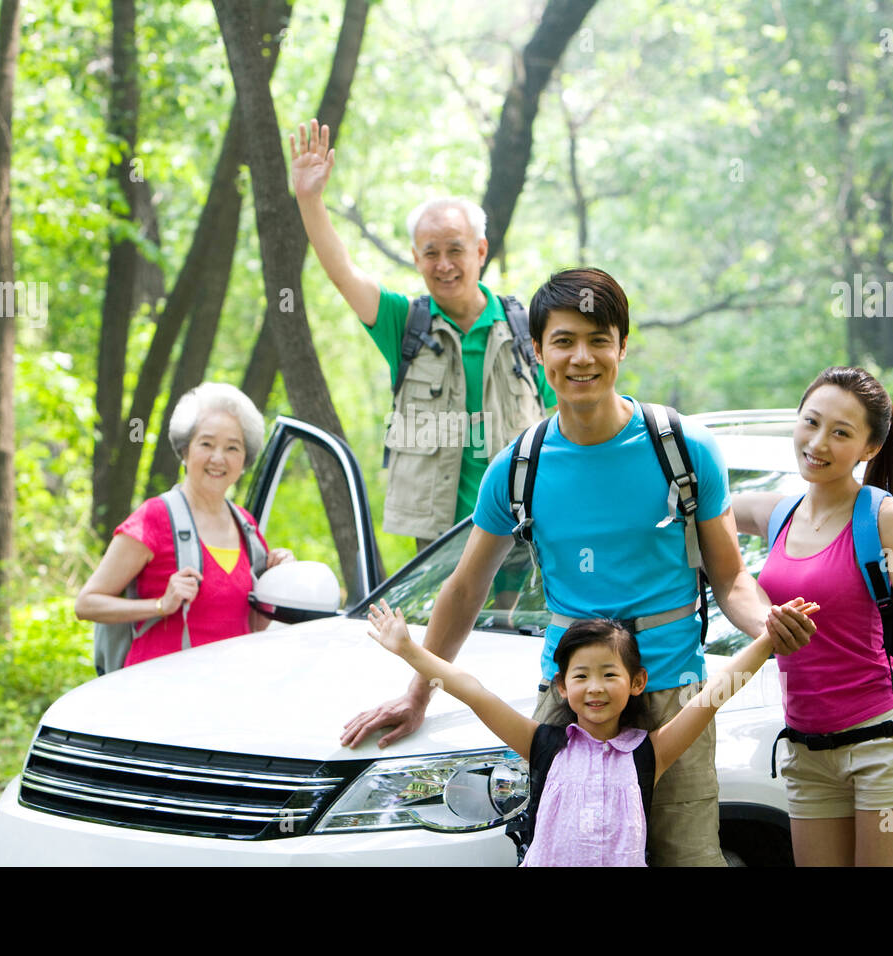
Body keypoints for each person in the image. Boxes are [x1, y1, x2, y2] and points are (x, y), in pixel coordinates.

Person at [342, 267, 817, 866]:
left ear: (622, 345)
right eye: (564, 341)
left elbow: (730, 578)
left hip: (671, 689)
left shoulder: (683, 449)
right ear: (537, 350)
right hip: (567, 702)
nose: (582, 358)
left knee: (688, 859)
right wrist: (418, 693)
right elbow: (465, 591)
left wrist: (766, 629)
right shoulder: (519, 468)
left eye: (599, 340)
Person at [731, 367, 893, 866]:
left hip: (882, 749)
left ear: (868, 449)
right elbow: (692, 516)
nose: (817, 442)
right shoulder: (775, 513)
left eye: (841, 433)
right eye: (811, 422)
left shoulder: (882, 515)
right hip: (806, 753)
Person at [366, 603, 811, 866]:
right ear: (562, 686)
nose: (595, 687)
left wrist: (768, 639)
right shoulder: (543, 745)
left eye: (608, 674)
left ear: (636, 682)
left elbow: (711, 696)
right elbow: (473, 693)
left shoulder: (647, 754)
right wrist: (409, 650)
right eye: (581, 675)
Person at [290, 118, 555, 548]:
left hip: (521, 539)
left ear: (481, 251)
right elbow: (343, 274)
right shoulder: (404, 325)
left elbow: (564, 428)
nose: (444, 264)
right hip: (439, 549)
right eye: (431, 253)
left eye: (456, 250)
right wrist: (309, 199)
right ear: (416, 258)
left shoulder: (526, 331)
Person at [76, 383, 294, 666]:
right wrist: (160, 605)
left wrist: (277, 579)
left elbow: (250, 625)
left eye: (232, 447)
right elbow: (87, 603)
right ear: (185, 450)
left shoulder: (246, 527)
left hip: (230, 693)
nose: (218, 458)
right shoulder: (154, 517)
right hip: (158, 695)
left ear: (244, 460)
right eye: (206, 444)